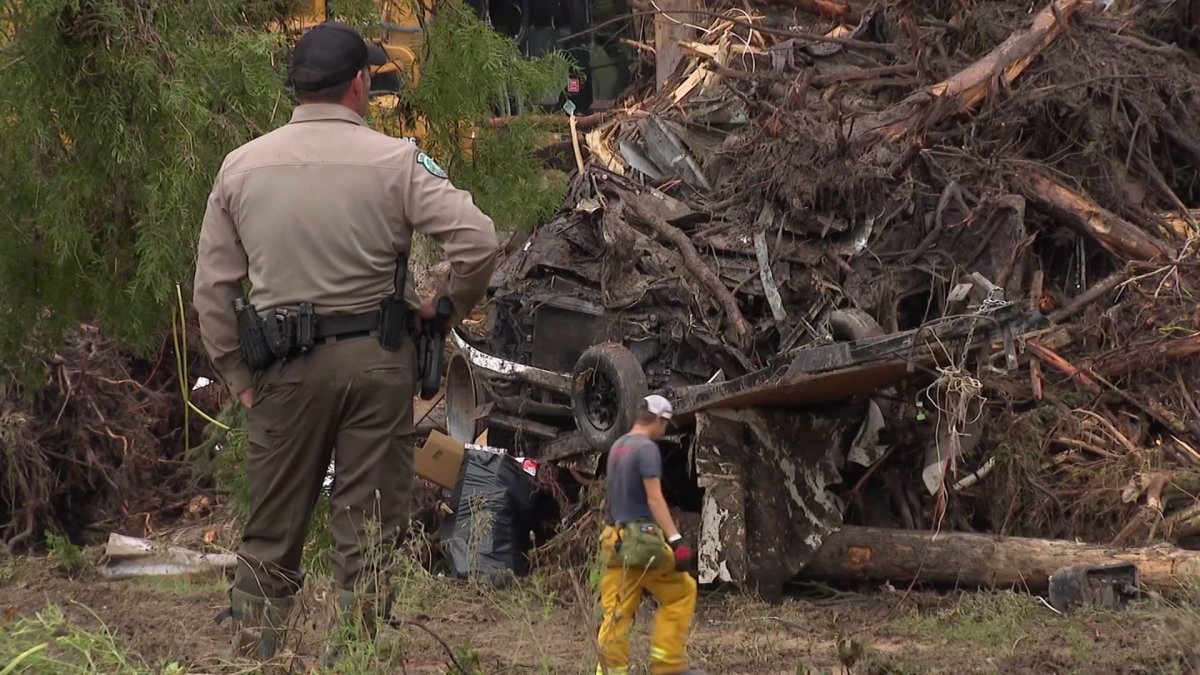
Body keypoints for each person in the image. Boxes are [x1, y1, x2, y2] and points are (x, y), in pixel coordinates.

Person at [192, 20, 499, 663]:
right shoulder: (396, 161)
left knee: (271, 535)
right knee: (368, 540)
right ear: (360, 84)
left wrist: (238, 377)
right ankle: (358, 659)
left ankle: (255, 657)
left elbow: (212, 293)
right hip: (376, 365)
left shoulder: (240, 167)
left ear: (297, 89)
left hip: (281, 372)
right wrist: (442, 308)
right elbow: (477, 242)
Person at [596, 394, 704, 675]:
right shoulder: (646, 449)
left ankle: (608, 672)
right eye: (665, 424)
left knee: (617, 613)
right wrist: (676, 540)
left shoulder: (618, 447)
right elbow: (655, 499)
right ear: (658, 420)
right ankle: (668, 666)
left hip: (612, 538)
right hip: (640, 541)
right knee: (682, 592)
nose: (665, 430)